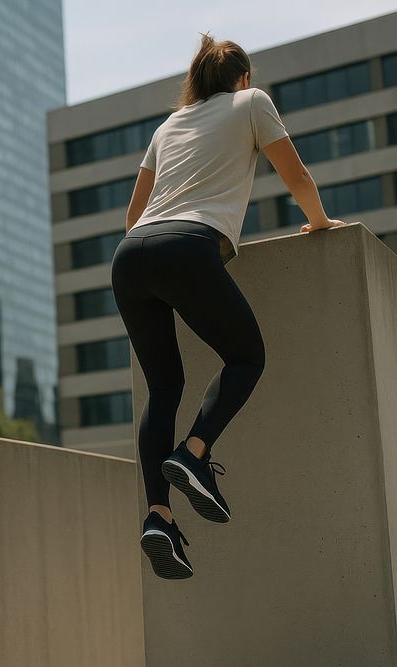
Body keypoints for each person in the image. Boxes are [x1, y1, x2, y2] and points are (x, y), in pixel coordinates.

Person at [112, 35, 350, 579]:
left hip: (130, 257)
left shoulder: (167, 126)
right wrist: (317, 221)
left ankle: (158, 516)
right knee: (246, 356)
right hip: (190, 246)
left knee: (163, 387)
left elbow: (133, 215)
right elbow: (294, 175)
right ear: (242, 77)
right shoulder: (253, 102)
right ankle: (193, 453)